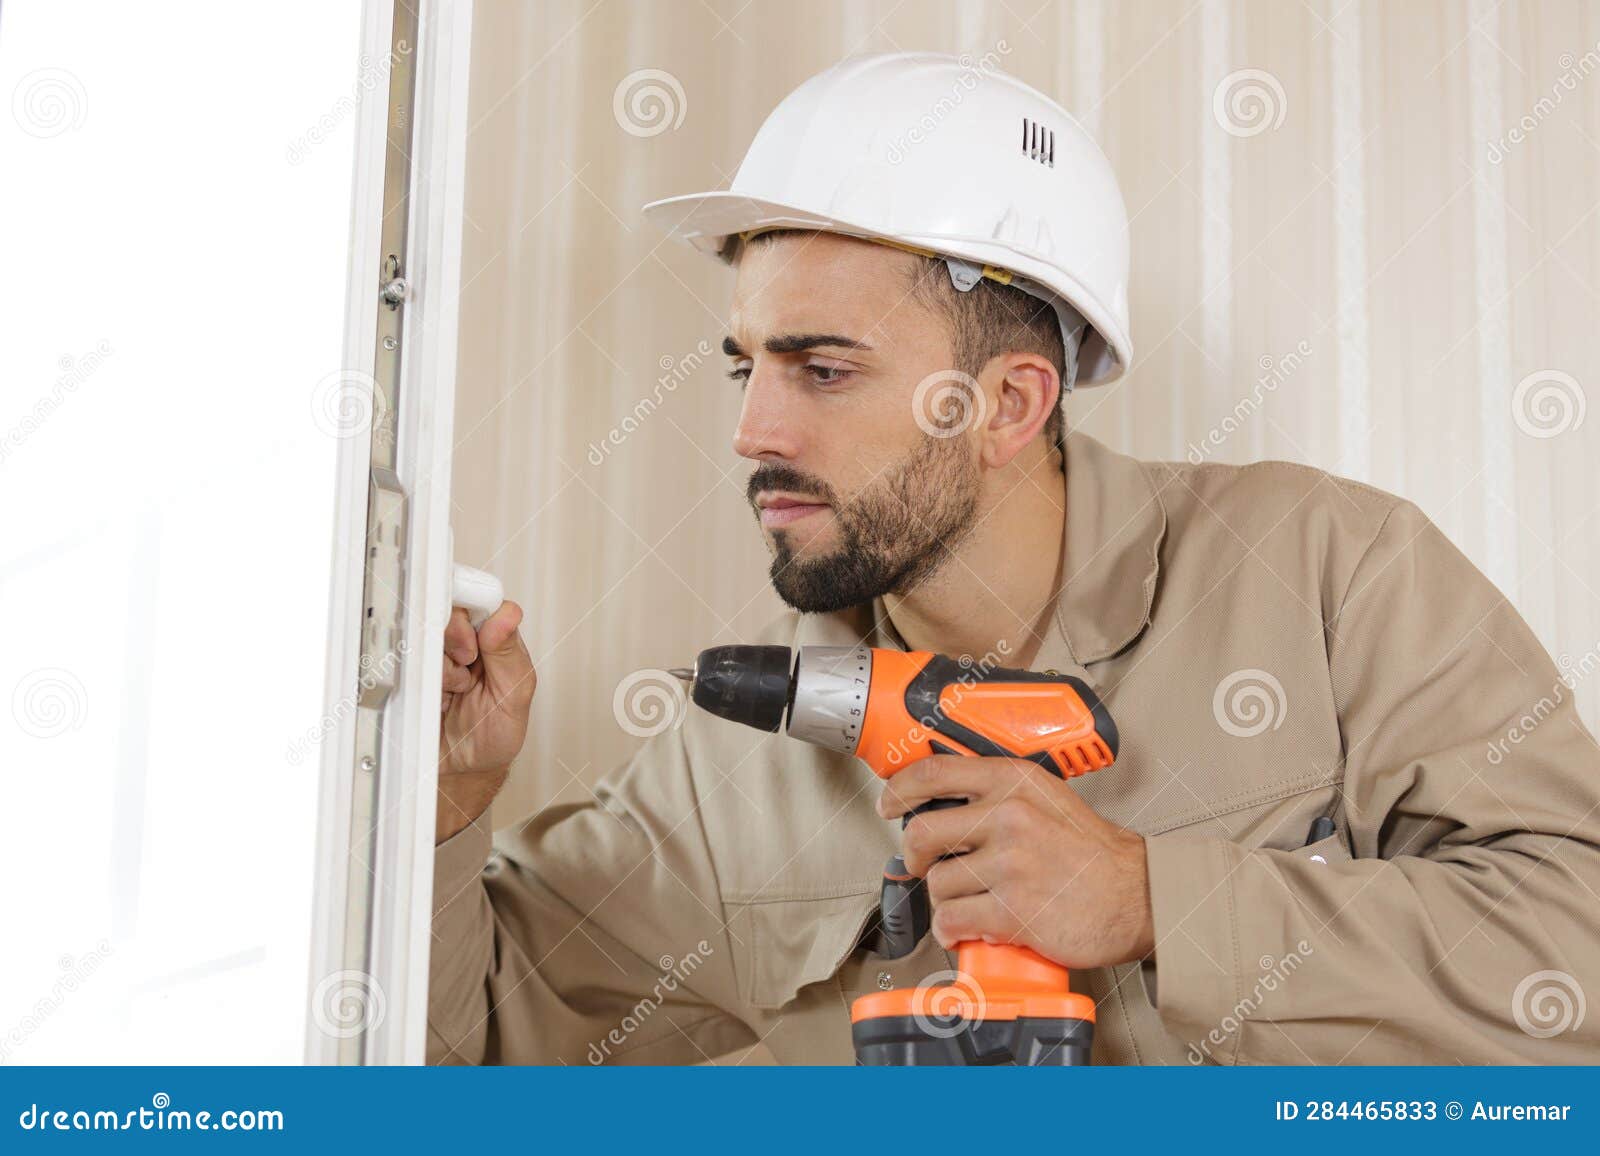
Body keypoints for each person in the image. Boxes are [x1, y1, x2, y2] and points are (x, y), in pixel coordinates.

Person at [428, 52, 1600, 1065]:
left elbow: (1573, 958)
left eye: (822, 369)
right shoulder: (732, 769)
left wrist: (1156, 901)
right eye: (747, 366)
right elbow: (462, 1046)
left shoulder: (1327, 574)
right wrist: (439, 814)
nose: (752, 432)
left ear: (1006, 404)